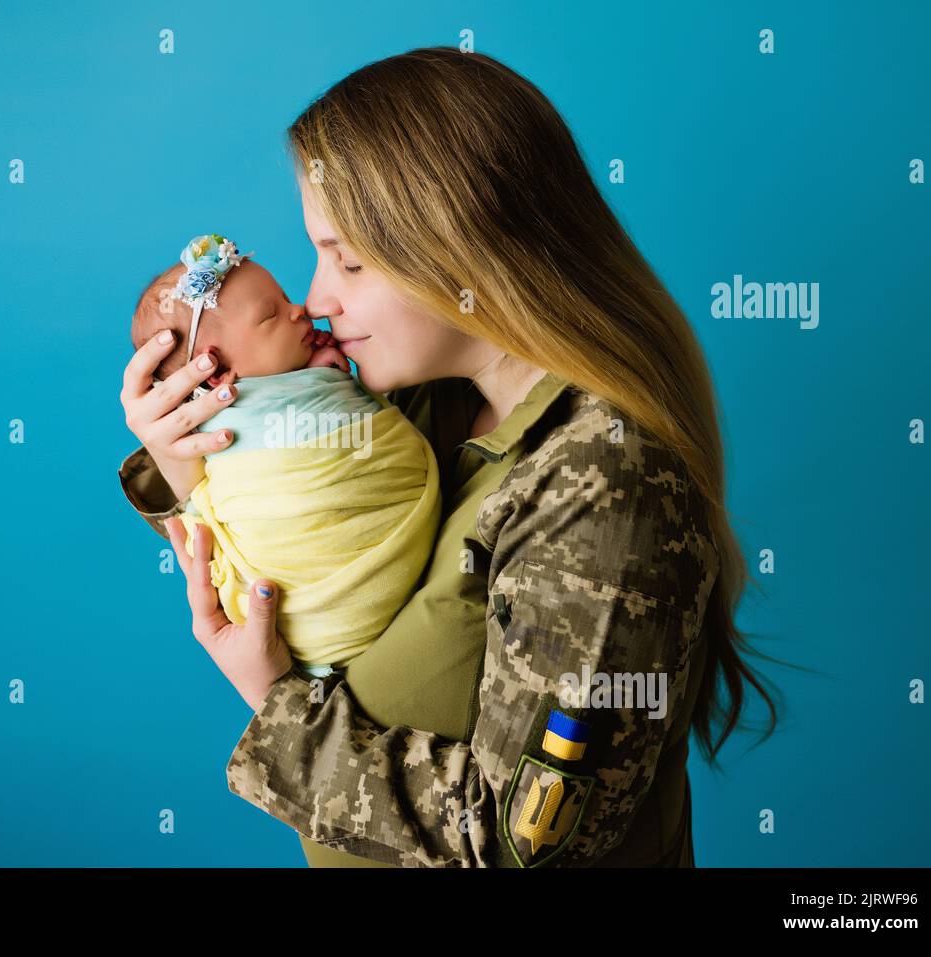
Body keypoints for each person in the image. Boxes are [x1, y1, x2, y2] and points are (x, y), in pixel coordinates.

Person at [117, 47, 779, 867]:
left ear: (465, 251)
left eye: (350, 261)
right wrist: (184, 457)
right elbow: (300, 545)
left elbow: (523, 840)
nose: (318, 298)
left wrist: (275, 700)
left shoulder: (604, 485)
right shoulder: (414, 406)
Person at [129, 233, 441, 677]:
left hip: (356, 636)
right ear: (216, 375)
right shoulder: (218, 425)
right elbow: (253, 507)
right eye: (271, 315)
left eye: (350, 264)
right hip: (312, 607)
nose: (304, 309)